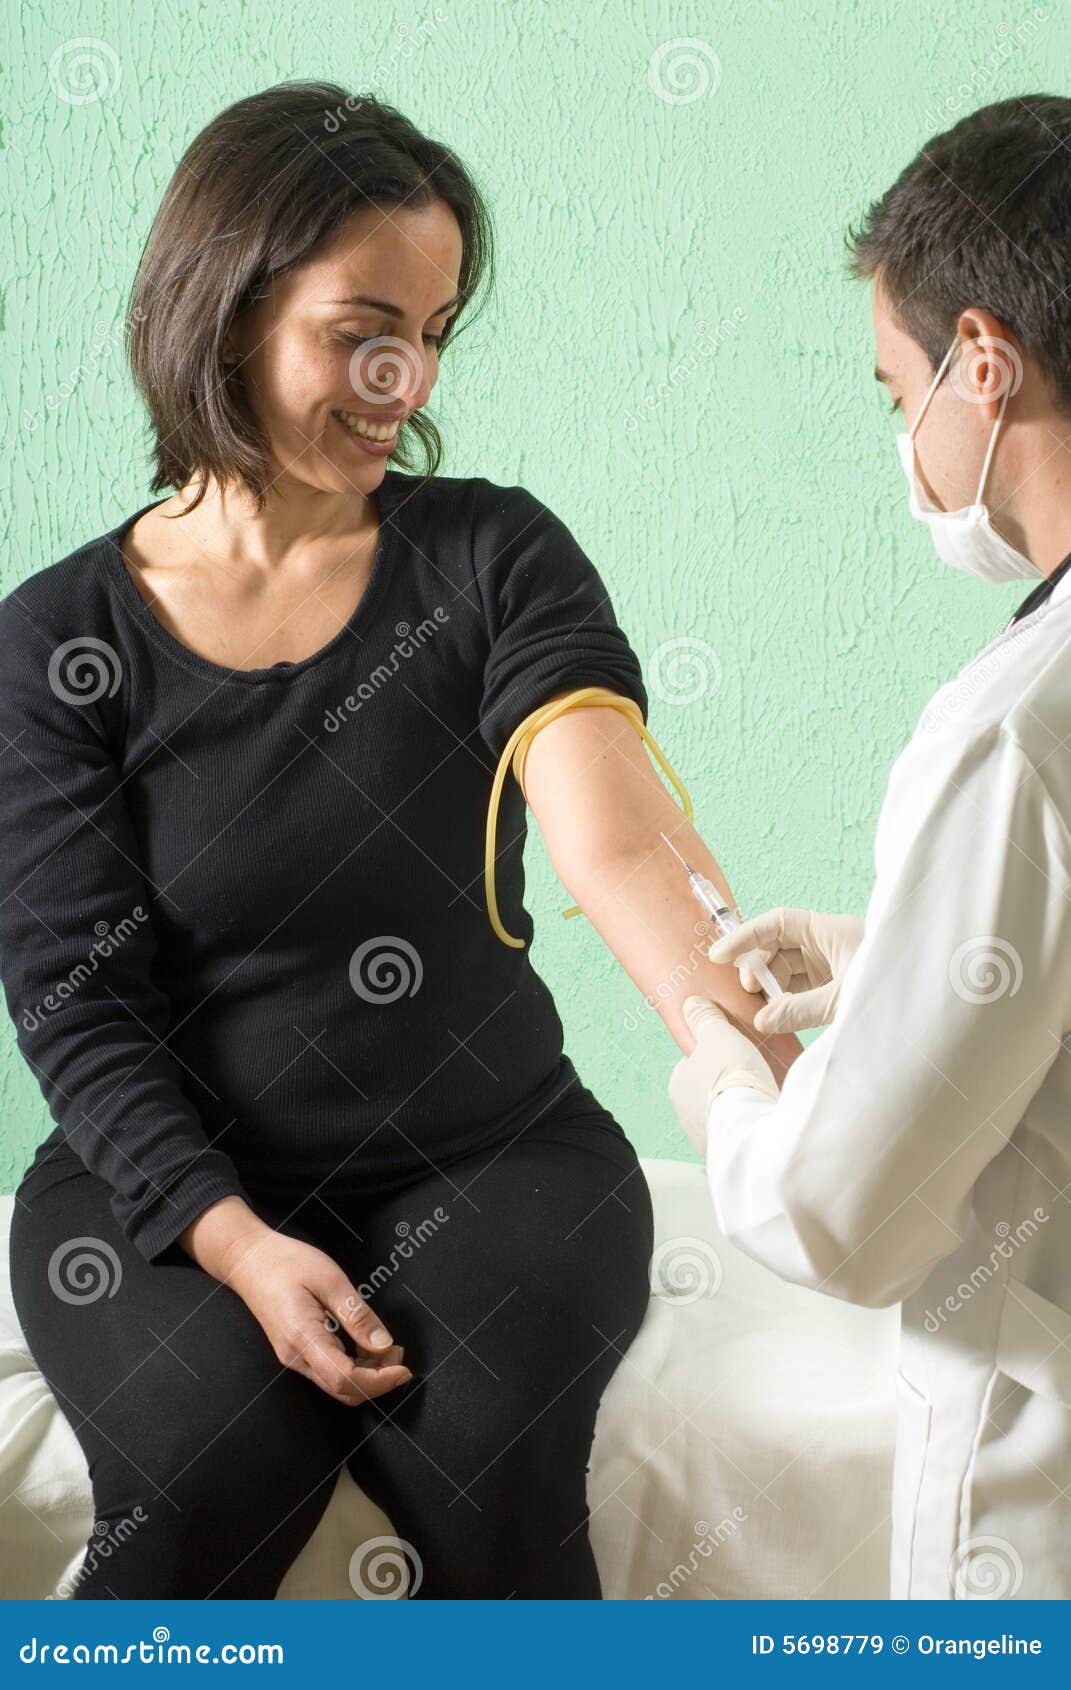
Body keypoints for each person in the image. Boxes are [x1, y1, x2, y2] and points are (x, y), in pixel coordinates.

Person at [1, 81, 797, 1600]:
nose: (403, 373)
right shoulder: (53, 645)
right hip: (161, 1188)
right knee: (204, 1475)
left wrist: (802, 1093)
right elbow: (75, 1003)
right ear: (225, 309)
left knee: (499, 1481)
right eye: (363, 325)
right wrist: (233, 1244)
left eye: (432, 331)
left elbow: (617, 845)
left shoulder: (491, 554)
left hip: (492, 1155)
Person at [669, 95, 1071, 1602]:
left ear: (983, 361)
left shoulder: (1014, 730)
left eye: (896, 389)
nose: (907, 439)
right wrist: (894, 948)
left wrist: (726, 1104)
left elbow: (846, 1212)